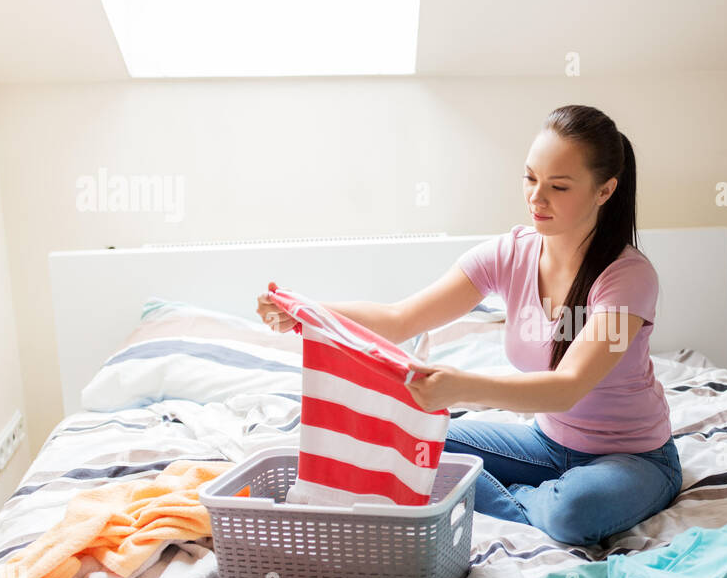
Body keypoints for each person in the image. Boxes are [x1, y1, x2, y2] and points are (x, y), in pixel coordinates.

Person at [256, 104, 682, 546]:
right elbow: (400, 319)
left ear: (604, 191)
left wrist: (461, 387)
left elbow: (567, 385)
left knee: (572, 514)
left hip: (634, 458)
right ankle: (535, 495)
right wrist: (307, 313)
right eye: (530, 178)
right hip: (548, 445)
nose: (537, 197)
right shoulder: (509, 254)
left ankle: (533, 498)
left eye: (558, 186)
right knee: (417, 446)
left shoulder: (626, 276)